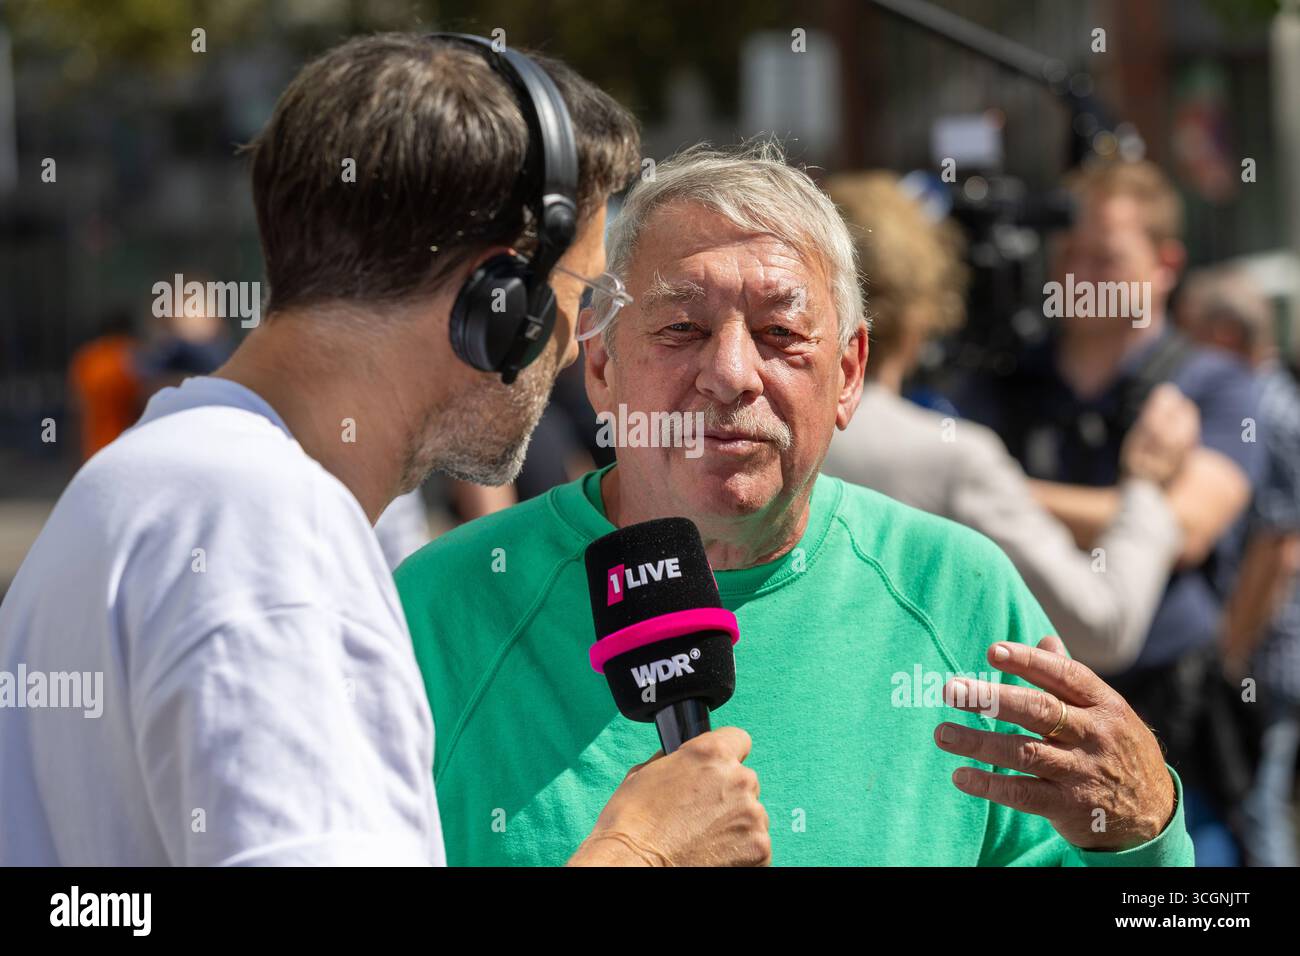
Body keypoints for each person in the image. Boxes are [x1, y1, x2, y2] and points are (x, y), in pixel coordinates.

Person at [0, 34, 769, 867]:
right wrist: (642, 851)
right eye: (580, 294)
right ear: (498, 299)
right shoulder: (265, 533)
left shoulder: (151, 482)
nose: (576, 343)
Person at [395, 142, 1194, 866]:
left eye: (781, 333)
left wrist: (1145, 831)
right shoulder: (441, 612)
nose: (733, 374)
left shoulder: (960, 592)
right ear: (601, 370)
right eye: (680, 327)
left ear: (848, 375)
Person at [956, 160, 1264, 865]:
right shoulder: (1002, 379)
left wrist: (985, 490)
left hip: (1175, 728)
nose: (1081, 271)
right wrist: (1132, 498)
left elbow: (1183, 530)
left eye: (1106, 255)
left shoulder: (1213, 382)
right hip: (1024, 721)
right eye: (1068, 253)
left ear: (1165, 264)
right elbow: (1144, 520)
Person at [821, 172, 1198, 672]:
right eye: (1066, 255)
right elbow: (1103, 628)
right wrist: (1145, 486)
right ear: (923, 310)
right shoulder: (951, 458)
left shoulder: (746, 438)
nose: (1077, 279)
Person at [1180, 267, 1300, 866]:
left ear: (1224, 336)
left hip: (1266, 657)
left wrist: (1231, 651)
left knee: (1254, 808)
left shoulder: (1266, 408)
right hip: (1264, 653)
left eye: (1191, 336)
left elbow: (1279, 545)